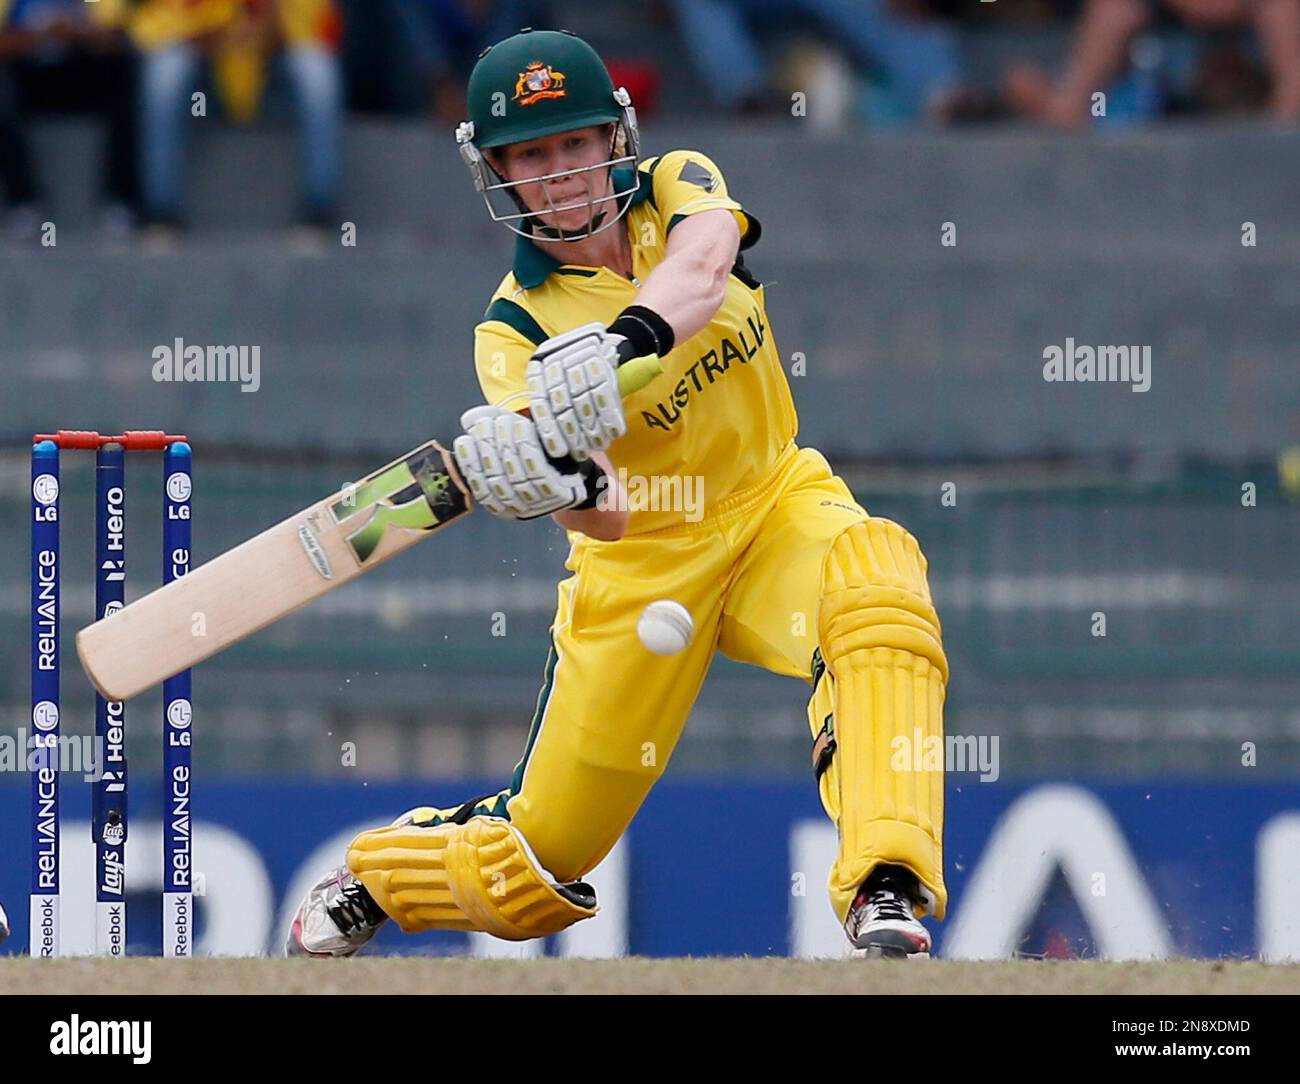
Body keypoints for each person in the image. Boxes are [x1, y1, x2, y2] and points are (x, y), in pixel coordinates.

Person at [285, 28, 949, 961]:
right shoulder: (513, 331)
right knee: (542, 855)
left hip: (775, 502)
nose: (559, 173)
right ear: (500, 174)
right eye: (530, 155)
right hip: (643, 569)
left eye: (574, 143)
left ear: (613, 141)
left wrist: (619, 346)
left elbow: (707, 265)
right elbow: (604, 515)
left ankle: (884, 883)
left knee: (877, 589)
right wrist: (554, 479)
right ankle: (384, 874)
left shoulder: (678, 184)